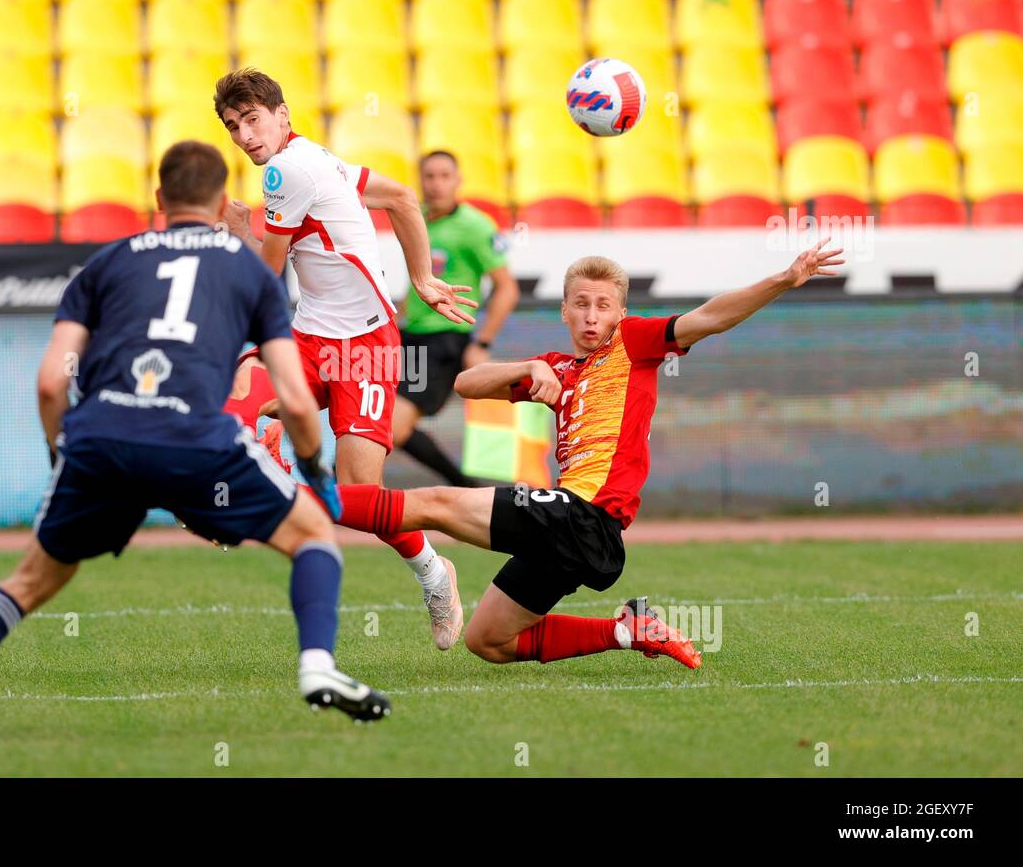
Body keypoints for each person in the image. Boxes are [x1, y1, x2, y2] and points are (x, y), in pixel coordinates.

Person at [0, 142, 391, 741]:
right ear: (223, 202)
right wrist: (313, 470)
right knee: (313, 535)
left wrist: (60, 452)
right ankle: (317, 665)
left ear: (159, 200)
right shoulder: (248, 271)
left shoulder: (108, 263)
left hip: (102, 440)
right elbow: (297, 401)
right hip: (195, 439)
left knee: (29, 584)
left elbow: (49, 383)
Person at [299, 241, 845, 669]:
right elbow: (466, 383)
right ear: (564, 310)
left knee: (433, 504)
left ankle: (292, 499)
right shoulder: (556, 367)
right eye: (580, 304)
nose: (591, 316)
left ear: (620, 312)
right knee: (487, 641)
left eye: (603, 306)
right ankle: (628, 631)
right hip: (577, 536)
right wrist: (525, 368)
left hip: (582, 513)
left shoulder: (634, 342)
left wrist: (782, 279)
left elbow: (711, 317)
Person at [214, 68, 478, 651]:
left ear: (283, 115)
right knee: (238, 393)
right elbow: (402, 199)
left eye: (253, 119)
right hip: (310, 338)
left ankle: (436, 575)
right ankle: (251, 481)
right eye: (234, 127)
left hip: (365, 346)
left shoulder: (287, 169)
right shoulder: (320, 159)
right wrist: (420, 278)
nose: (245, 136)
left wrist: (237, 234)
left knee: (361, 496)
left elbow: (267, 277)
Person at [392, 150, 520, 487]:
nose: (436, 184)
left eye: (444, 176)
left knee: (391, 426)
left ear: (458, 181)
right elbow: (419, 279)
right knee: (381, 422)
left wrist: (483, 342)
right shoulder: (415, 217)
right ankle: (466, 488)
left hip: (444, 338)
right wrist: (397, 319)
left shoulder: (476, 226)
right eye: (429, 176)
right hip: (408, 337)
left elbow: (507, 289)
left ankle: (331, 491)